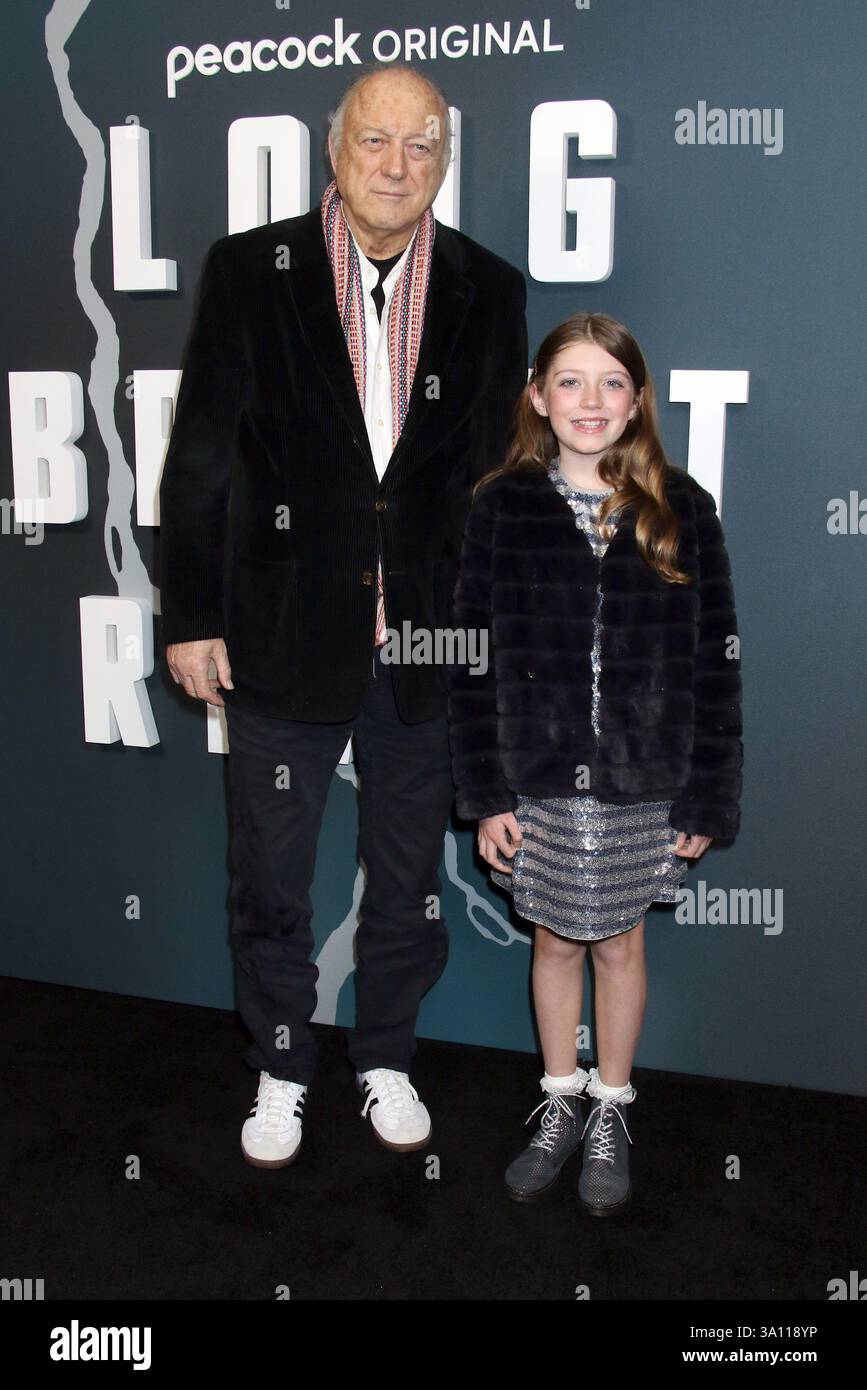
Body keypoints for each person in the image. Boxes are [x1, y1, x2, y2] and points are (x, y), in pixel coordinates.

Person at [158, 63, 528, 1167]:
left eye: (422, 146)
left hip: (422, 646)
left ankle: (385, 1056)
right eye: (377, 140)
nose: (397, 164)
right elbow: (202, 458)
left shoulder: (487, 287)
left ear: (443, 165)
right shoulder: (248, 271)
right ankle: (281, 1064)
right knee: (271, 871)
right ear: (337, 150)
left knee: (409, 878)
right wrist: (191, 613)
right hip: (278, 636)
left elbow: (492, 479)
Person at [447, 312, 742, 1214]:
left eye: (611, 382)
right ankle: (558, 1097)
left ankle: (610, 1105)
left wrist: (707, 789)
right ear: (537, 397)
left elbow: (716, 658)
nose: (590, 400)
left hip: (643, 782)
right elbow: (469, 658)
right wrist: (486, 789)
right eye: (569, 381)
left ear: (637, 402)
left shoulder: (682, 507)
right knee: (552, 938)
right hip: (535, 779)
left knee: (618, 942)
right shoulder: (499, 505)